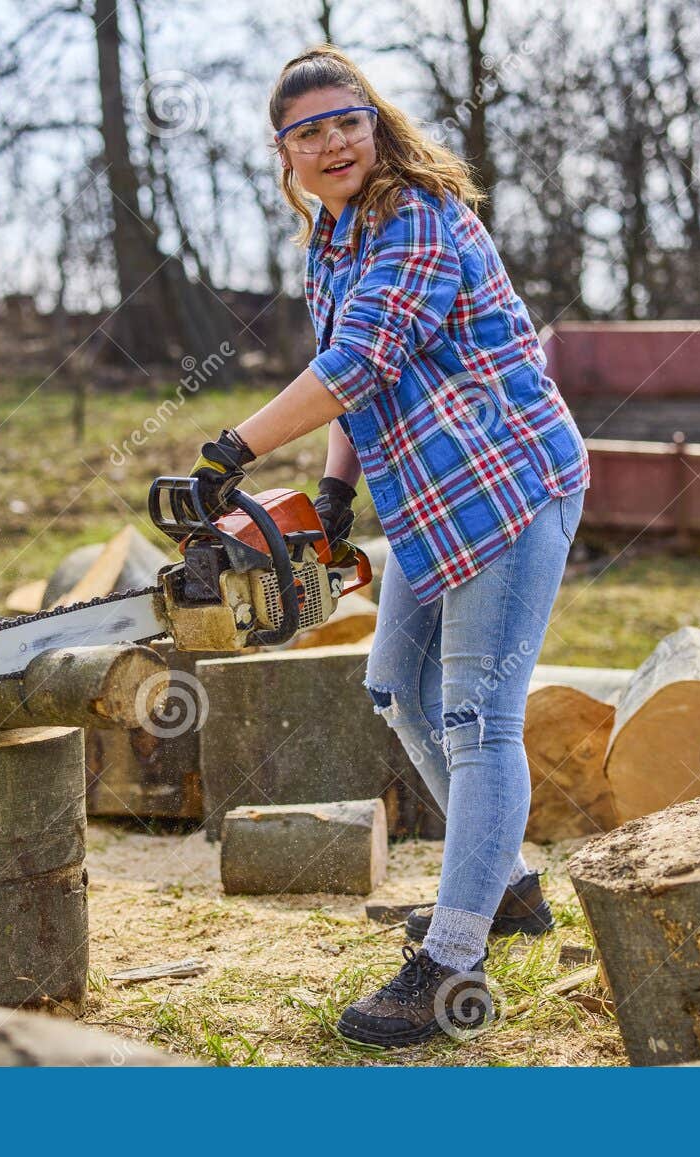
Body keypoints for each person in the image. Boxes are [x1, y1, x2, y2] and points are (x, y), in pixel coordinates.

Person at [186, 44, 589, 1047]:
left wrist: (234, 446)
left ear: (376, 124)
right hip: (424, 495)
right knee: (397, 690)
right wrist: (329, 491)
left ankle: (451, 962)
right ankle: (508, 888)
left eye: (345, 122)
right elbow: (350, 378)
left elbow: (359, 358)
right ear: (282, 152)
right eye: (307, 132)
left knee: (478, 716)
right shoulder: (334, 236)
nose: (331, 143)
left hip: (503, 482)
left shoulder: (413, 216)